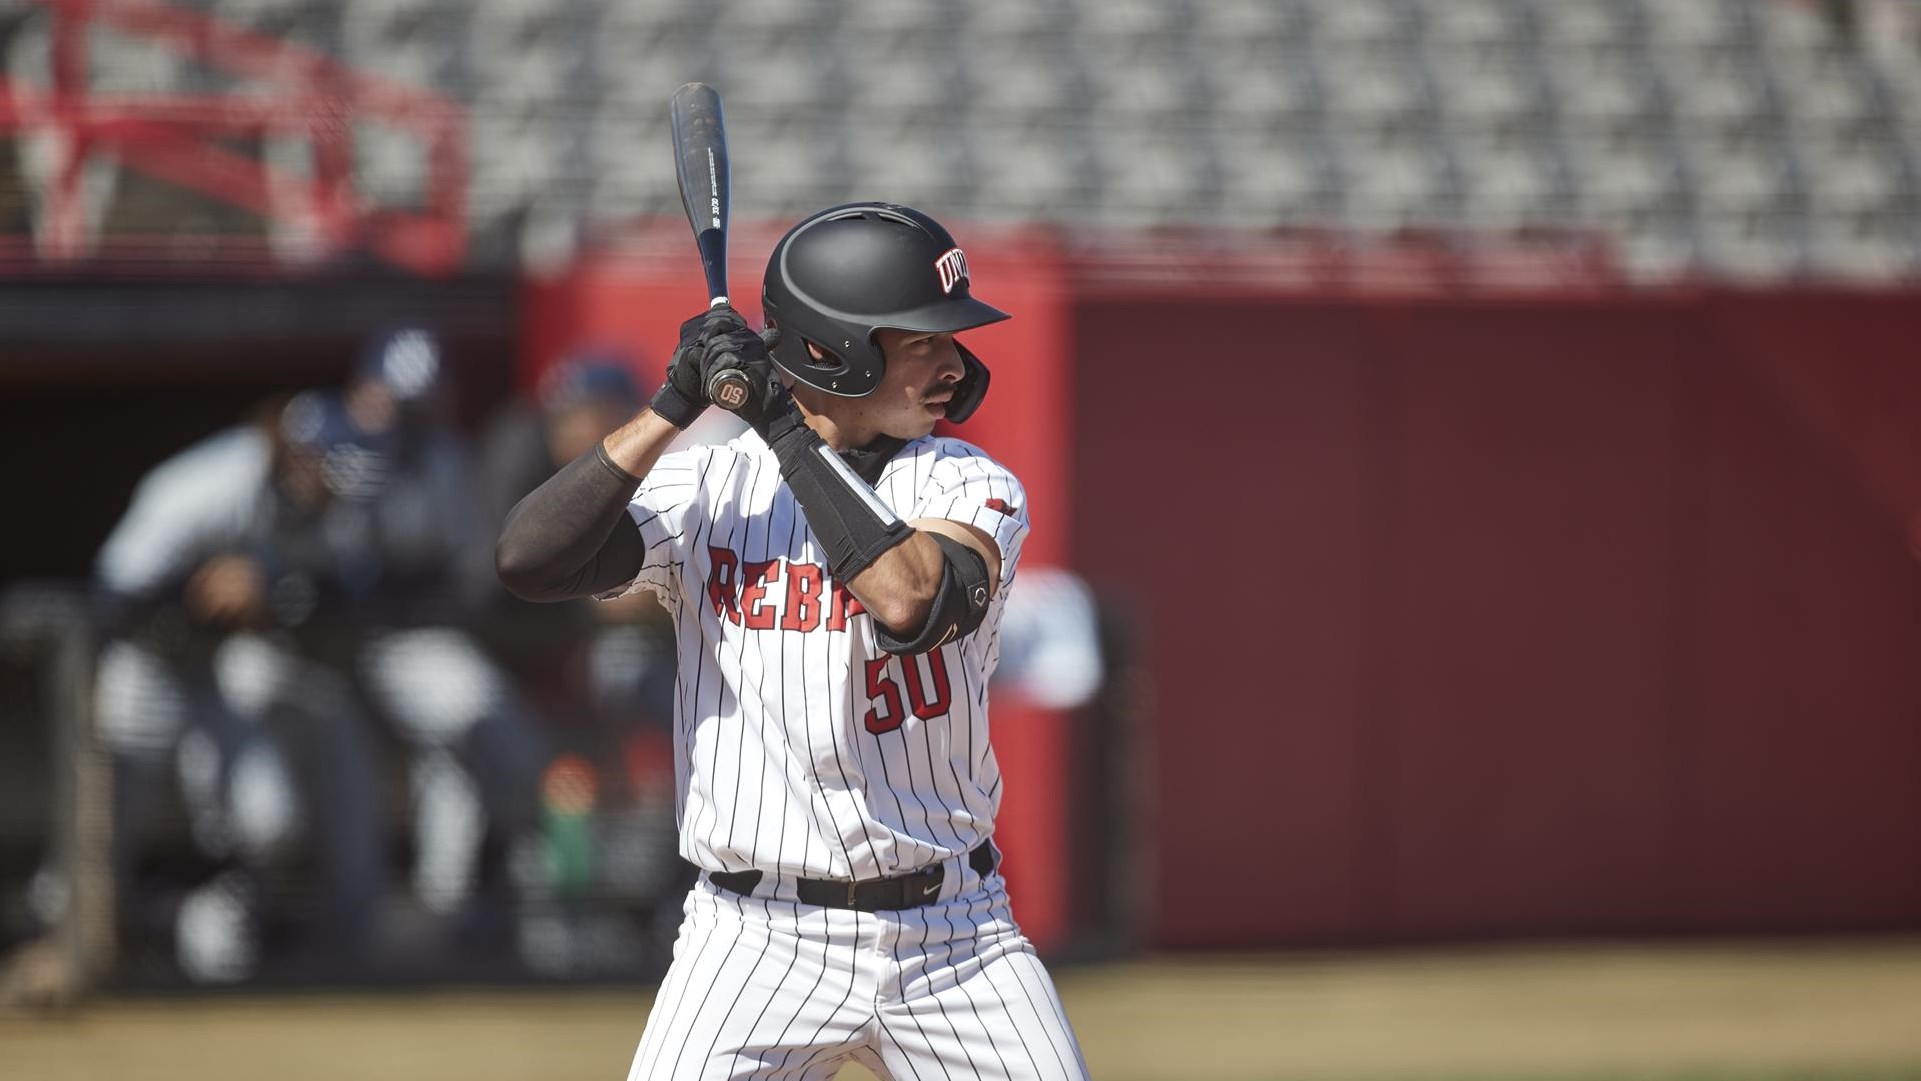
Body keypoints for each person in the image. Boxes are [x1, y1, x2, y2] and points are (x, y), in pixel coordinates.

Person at [497, 202, 1090, 1080]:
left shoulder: (968, 481)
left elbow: (909, 599)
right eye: (920, 339)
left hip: (954, 933)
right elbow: (530, 557)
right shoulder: (708, 482)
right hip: (753, 936)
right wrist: (671, 403)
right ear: (831, 349)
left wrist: (780, 424)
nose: (952, 360)